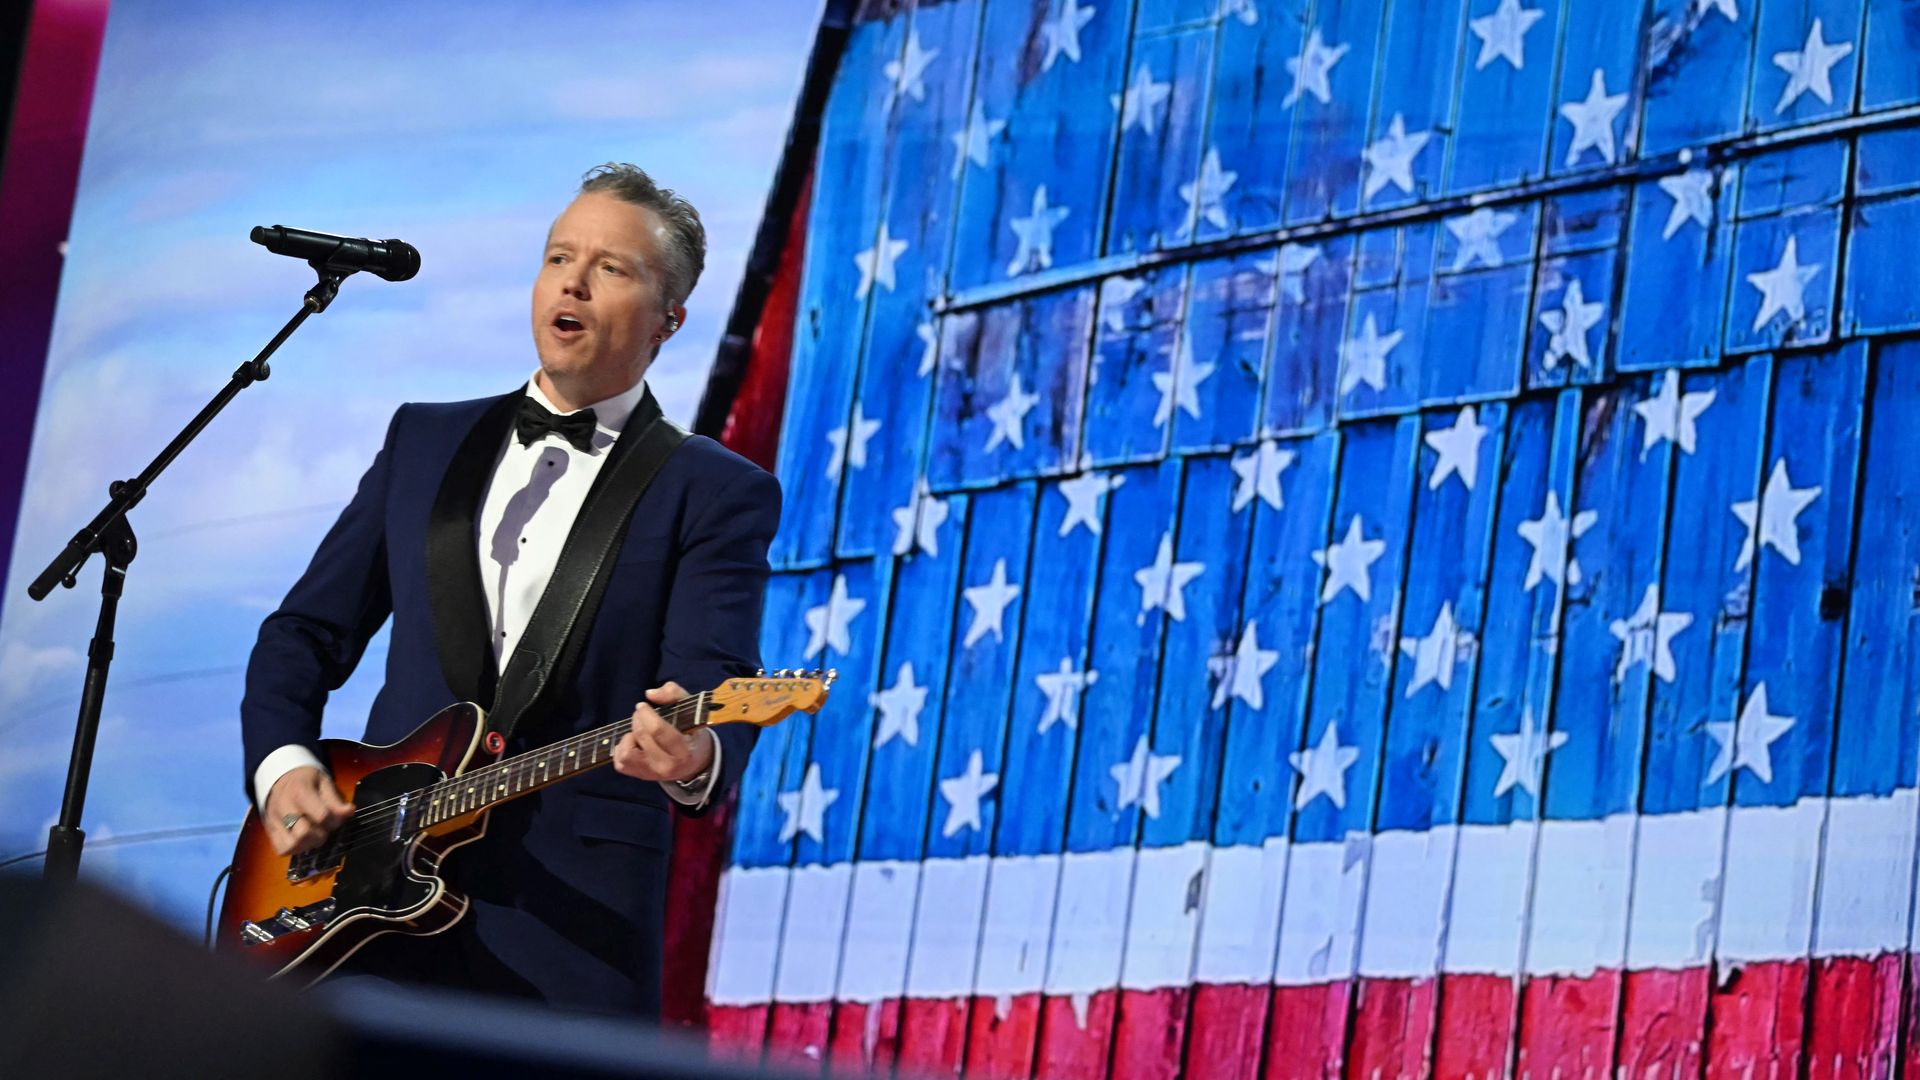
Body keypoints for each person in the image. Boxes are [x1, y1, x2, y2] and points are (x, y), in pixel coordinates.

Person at [239, 163, 781, 1017]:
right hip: (359, 906)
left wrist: (695, 756)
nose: (573, 279)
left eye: (611, 268)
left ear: (667, 323)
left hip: (568, 934)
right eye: (559, 256)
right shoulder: (421, 440)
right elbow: (302, 634)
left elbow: (712, 680)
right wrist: (284, 769)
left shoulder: (716, 490)